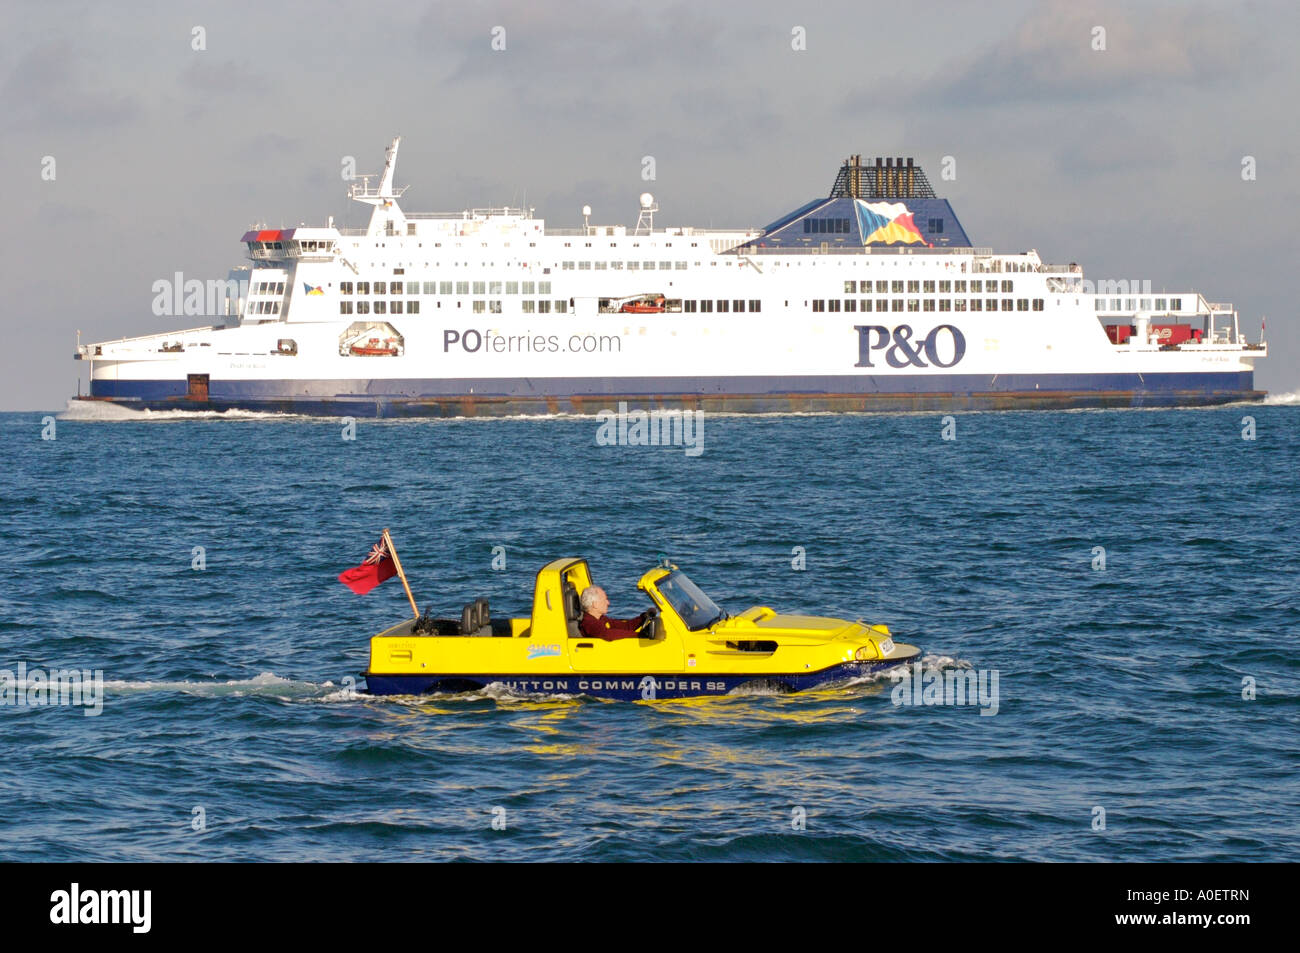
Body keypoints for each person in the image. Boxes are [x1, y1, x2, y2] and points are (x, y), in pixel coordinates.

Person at [578, 586, 654, 641]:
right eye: (605, 600)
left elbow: (624, 626)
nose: (608, 603)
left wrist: (642, 618)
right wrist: (638, 635)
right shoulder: (589, 623)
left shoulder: (601, 618)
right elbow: (607, 634)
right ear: (595, 604)